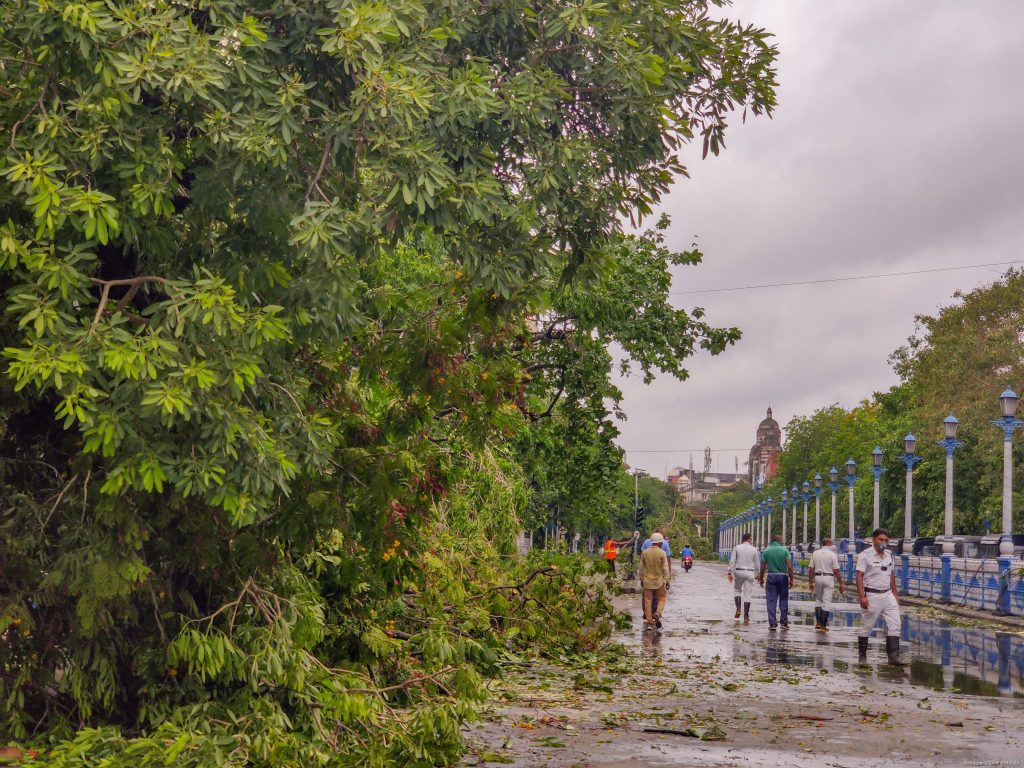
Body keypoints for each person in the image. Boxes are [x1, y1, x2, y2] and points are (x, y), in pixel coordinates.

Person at [856, 527, 905, 666]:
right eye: (880, 539)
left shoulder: (889, 555)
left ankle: (893, 657)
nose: (883, 542)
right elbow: (859, 577)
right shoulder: (865, 555)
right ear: (874, 540)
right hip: (872, 594)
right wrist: (862, 597)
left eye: (886, 540)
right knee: (867, 626)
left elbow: (891, 575)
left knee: (895, 624)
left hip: (887, 594)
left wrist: (895, 593)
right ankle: (862, 658)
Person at [758, 534, 794, 631]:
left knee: (771, 600)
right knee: (783, 599)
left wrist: (761, 579)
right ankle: (784, 622)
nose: (783, 541)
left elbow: (762, 567)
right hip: (783, 577)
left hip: (771, 576)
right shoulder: (785, 550)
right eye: (782, 539)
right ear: (778, 540)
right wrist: (791, 580)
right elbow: (790, 567)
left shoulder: (766, 551)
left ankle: (773, 623)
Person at [808, 537, 844, 632]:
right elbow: (836, 570)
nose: (833, 545)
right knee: (826, 601)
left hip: (818, 577)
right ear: (828, 544)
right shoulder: (832, 555)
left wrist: (810, 582)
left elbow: (811, 569)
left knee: (818, 600)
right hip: (828, 577)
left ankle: (818, 623)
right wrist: (841, 583)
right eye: (832, 544)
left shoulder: (815, 553)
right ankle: (823, 625)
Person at [638, 532, 671, 630]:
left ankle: (649, 623)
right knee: (662, 598)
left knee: (648, 600)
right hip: (659, 581)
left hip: (647, 581)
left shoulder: (645, 553)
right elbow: (665, 568)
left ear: (652, 542)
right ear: (660, 543)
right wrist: (667, 580)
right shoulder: (662, 553)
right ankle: (657, 613)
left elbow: (641, 567)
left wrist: (641, 578)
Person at [727, 533, 759, 623]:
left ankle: (738, 609)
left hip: (738, 571)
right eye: (751, 539)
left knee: (737, 590)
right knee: (747, 594)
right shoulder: (754, 549)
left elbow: (732, 561)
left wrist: (730, 572)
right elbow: (757, 563)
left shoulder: (737, 548)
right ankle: (746, 615)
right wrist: (758, 573)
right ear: (749, 539)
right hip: (750, 573)